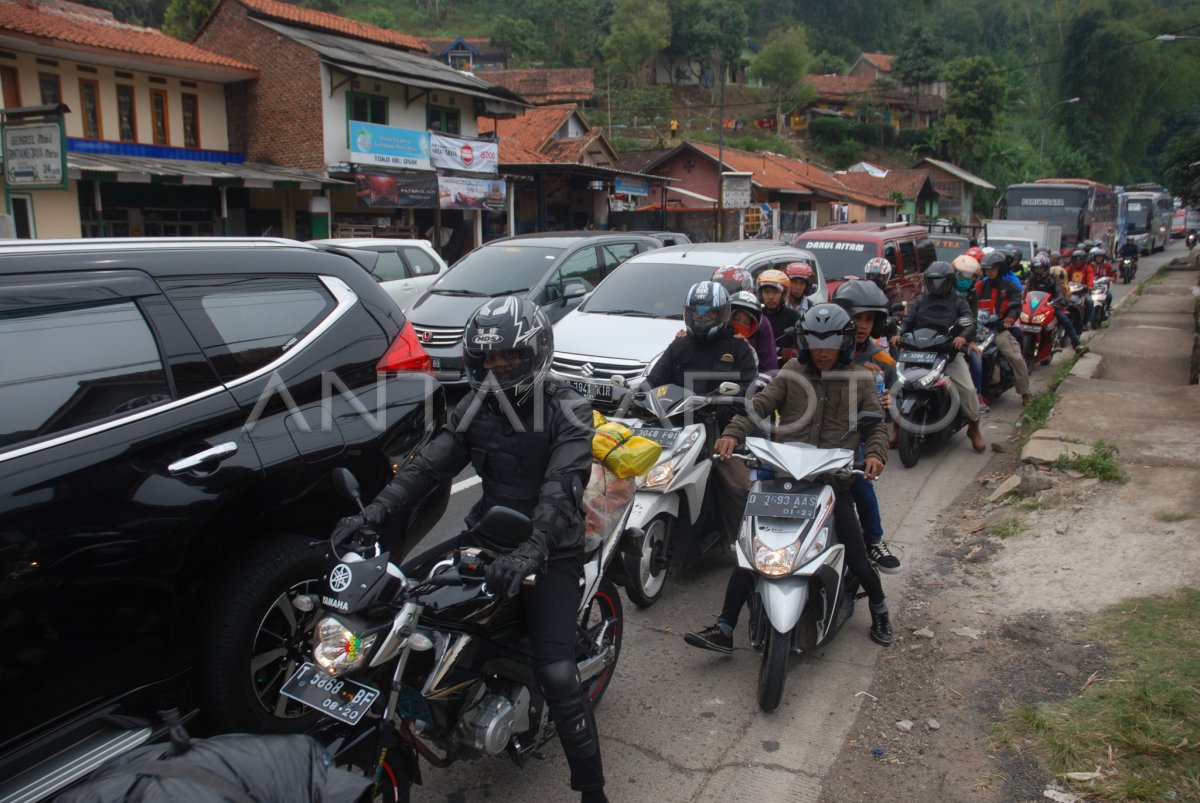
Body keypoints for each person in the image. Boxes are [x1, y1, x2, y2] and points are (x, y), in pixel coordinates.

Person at [330, 296, 607, 803]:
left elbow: (563, 484)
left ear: (536, 354)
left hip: (550, 549)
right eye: (488, 362)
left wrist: (534, 549)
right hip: (485, 537)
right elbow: (427, 466)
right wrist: (372, 514)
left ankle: (593, 790)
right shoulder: (474, 407)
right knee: (394, 605)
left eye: (510, 359)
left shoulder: (568, 406)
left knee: (558, 674)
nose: (498, 370)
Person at [683, 303, 894, 651]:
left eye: (829, 345)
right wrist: (733, 433)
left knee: (858, 556)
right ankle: (724, 626)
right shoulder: (793, 370)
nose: (822, 353)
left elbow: (875, 425)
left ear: (842, 344)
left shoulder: (860, 379)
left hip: (831, 482)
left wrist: (874, 454)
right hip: (786, 479)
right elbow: (760, 405)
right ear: (805, 343)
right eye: (816, 344)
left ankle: (879, 608)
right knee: (751, 550)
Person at [645, 281, 758, 548]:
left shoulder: (739, 349)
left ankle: (745, 545)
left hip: (720, 430)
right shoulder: (679, 345)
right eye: (697, 313)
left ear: (722, 314)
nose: (702, 318)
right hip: (675, 427)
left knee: (739, 487)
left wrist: (727, 401)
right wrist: (641, 395)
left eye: (709, 313)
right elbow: (654, 380)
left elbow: (750, 390)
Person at [830, 279, 901, 574]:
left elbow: (892, 401)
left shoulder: (882, 359)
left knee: (860, 481)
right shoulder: (826, 345)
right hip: (821, 427)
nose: (862, 325)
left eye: (869, 319)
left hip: (858, 434)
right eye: (856, 318)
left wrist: (887, 401)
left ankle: (874, 539)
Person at [892, 262, 986, 452]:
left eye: (940, 281)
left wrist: (962, 337)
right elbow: (908, 321)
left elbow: (970, 322)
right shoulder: (919, 301)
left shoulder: (958, 301)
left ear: (949, 282)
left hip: (947, 354)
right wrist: (899, 334)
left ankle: (974, 429)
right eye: (933, 281)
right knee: (897, 385)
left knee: (967, 389)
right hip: (918, 352)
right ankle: (896, 428)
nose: (936, 284)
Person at [978, 251, 1033, 404]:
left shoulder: (1010, 286)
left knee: (1016, 357)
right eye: (987, 269)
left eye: (992, 269)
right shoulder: (980, 286)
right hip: (979, 331)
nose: (989, 272)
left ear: (1000, 269)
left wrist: (1010, 317)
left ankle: (1025, 393)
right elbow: (969, 303)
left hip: (998, 329)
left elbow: (1016, 303)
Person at [712, 266, 777, 370]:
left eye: (729, 287)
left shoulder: (761, 321)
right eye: (720, 288)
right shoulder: (714, 316)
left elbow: (769, 364)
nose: (725, 292)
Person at [951, 253, 989, 413]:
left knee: (976, 359)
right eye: (962, 275)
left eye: (969, 277)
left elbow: (972, 319)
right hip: (943, 336)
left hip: (964, 336)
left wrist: (970, 341)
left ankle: (977, 394)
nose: (965, 280)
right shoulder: (945, 290)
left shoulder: (972, 294)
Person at [1028, 254, 1087, 355]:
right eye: (1036, 268)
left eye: (1040, 268)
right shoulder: (1031, 279)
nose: (1038, 270)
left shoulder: (1053, 279)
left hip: (1050, 306)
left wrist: (1056, 301)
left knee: (1065, 320)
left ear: (1045, 268)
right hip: (1033, 307)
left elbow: (1059, 292)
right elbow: (1025, 292)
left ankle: (1077, 345)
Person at [756, 268, 799, 361]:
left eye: (775, 292)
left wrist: (792, 352)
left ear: (783, 294)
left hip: (785, 369)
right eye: (766, 292)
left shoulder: (794, 317)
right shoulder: (756, 316)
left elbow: (803, 347)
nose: (770, 297)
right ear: (761, 294)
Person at [729, 290, 777, 371]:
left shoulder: (763, 323)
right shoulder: (719, 338)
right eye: (736, 320)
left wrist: (746, 349)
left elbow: (769, 366)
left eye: (746, 323)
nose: (740, 325)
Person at [1066, 249, 1095, 329]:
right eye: (1076, 260)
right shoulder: (1070, 268)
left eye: (1080, 260)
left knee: (1089, 301)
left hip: (1083, 292)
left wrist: (1089, 286)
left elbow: (1090, 279)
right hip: (1070, 292)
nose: (1078, 262)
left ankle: (1085, 322)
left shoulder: (1088, 268)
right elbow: (1063, 275)